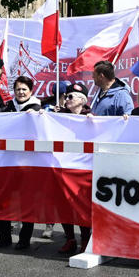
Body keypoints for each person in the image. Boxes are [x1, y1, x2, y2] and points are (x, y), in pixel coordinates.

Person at [0, 76, 42, 249]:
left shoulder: (37, 109)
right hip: (8, 162)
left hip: (28, 164)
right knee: (3, 200)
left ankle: (24, 239)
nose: (20, 92)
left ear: (31, 91)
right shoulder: (8, 108)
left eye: (24, 89)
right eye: (18, 89)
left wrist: (38, 117)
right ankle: (4, 236)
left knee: (26, 202)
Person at [54, 82, 92, 254]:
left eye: (70, 96)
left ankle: (85, 239)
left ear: (82, 101)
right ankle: (70, 238)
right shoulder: (58, 116)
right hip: (63, 166)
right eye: (66, 96)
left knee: (83, 204)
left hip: (83, 168)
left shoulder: (91, 117)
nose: (66, 99)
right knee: (64, 204)